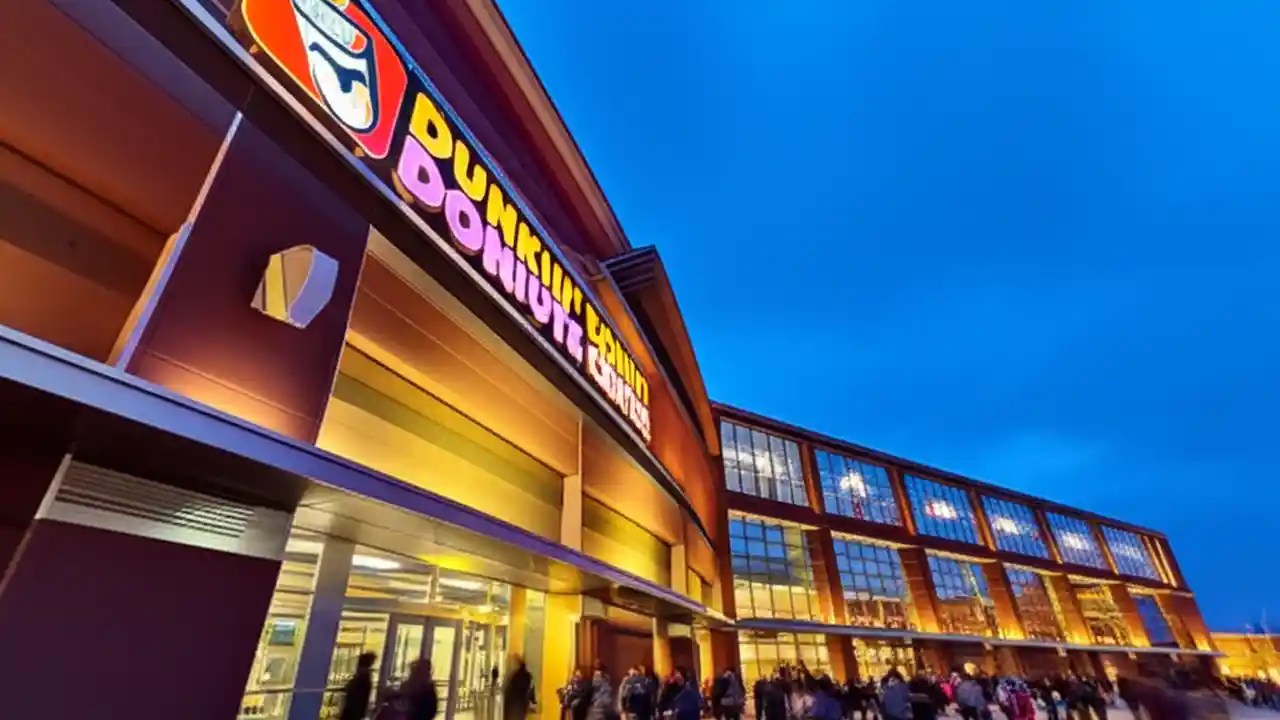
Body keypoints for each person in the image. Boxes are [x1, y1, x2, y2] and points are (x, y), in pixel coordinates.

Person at [340, 652, 377, 720]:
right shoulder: (366, 675)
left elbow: (351, 688)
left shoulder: (362, 675)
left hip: (352, 708)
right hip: (357, 709)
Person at [504, 654, 536, 720]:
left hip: (513, 705)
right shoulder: (528, 676)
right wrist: (533, 703)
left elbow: (509, 691)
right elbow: (531, 690)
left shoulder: (514, 676)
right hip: (522, 706)